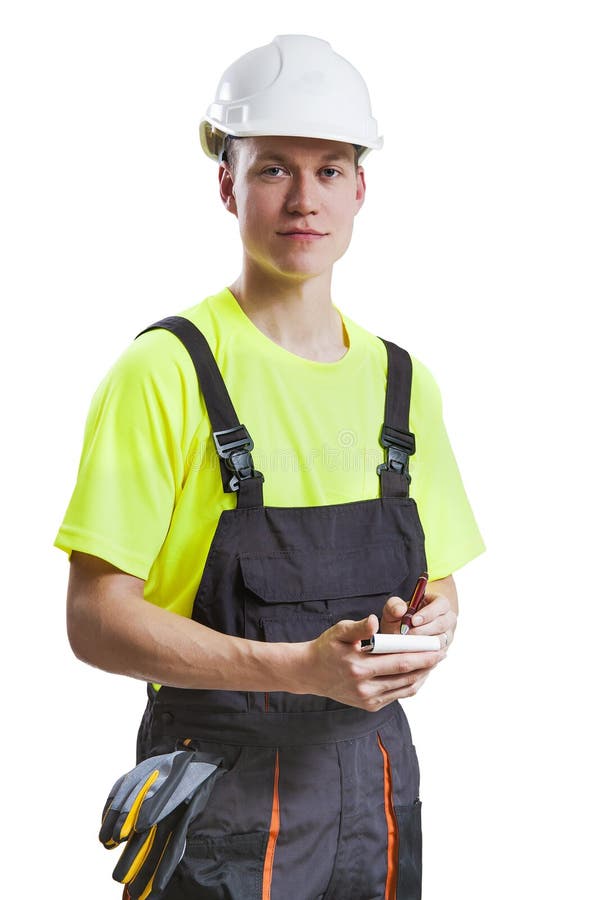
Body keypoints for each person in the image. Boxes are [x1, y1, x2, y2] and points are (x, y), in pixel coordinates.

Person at [56, 34, 485, 900]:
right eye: (272, 169)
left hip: (376, 792)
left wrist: (432, 625)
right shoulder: (167, 372)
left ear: (361, 189)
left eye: (329, 170)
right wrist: (299, 669)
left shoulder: (404, 385)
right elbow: (95, 618)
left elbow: (440, 587)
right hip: (221, 801)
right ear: (227, 183)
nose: (303, 199)